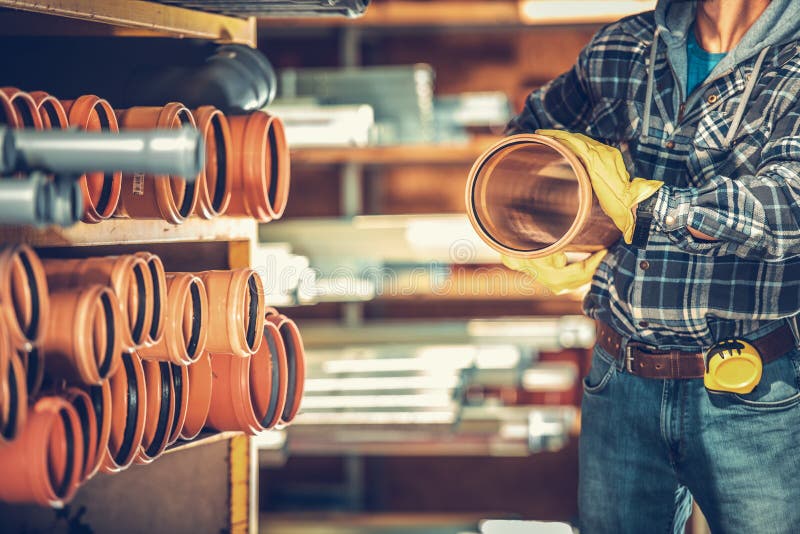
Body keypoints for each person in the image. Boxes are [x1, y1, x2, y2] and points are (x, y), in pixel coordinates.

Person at [502, 1, 800, 532]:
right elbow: (528, 138)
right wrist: (539, 221)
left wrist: (650, 204)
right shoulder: (626, 46)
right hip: (621, 382)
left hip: (753, 395)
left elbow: (786, 208)